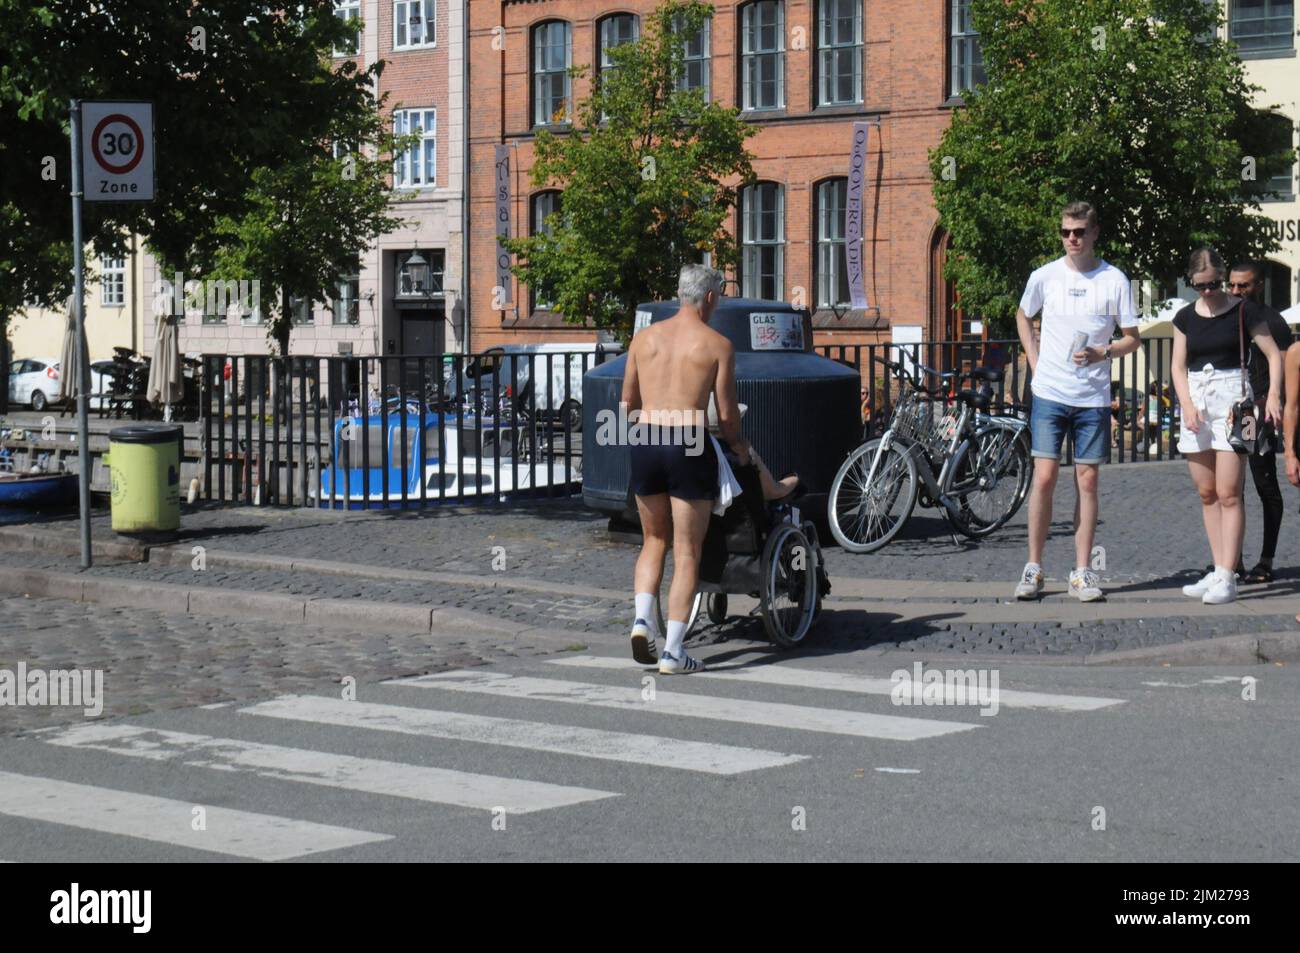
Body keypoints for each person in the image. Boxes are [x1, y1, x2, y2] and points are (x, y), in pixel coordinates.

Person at [622, 264, 751, 674]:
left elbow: (628, 402)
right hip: (688, 441)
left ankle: (643, 620)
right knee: (687, 550)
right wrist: (740, 447)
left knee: (652, 540)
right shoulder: (717, 345)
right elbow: (728, 416)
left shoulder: (643, 339)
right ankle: (674, 652)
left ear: (680, 294)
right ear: (710, 298)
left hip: (644, 438)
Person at [1014, 201, 1141, 602]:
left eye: (1080, 231)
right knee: (1045, 477)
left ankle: (1082, 571)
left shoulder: (1114, 280)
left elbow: (1133, 337)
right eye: (1066, 231)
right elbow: (1022, 315)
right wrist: (1034, 360)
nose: (1072, 238)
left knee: (1087, 480)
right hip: (1050, 392)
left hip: (1092, 398)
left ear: (1094, 233)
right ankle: (1033, 568)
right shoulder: (1045, 276)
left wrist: (1104, 353)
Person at [1172, 248, 1283, 606]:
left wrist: (1276, 394)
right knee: (1207, 493)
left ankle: (1227, 574)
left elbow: (1273, 354)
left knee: (1230, 491)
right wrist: (1187, 404)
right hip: (1198, 401)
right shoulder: (1185, 317)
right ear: (1192, 282)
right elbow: (1177, 366)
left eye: (1214, 284)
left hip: (1238, 401)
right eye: (1200, 286)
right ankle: (1221, 567)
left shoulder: (1243, 310)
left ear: (1223, 279)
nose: (1208, 291)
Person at [1222, 261, 1293, 584]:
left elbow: (1285, 372)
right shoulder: (1224, 316)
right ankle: (1232, 560)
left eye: (1244, 286)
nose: (1236, 291)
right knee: (1229, 487)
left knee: (1263, 483)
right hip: (1229, 411)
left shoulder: (1272, 322)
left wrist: (1272, 405)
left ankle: (1265, 559)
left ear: (1259, 286)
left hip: (1256, 413)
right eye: (1232, 285)